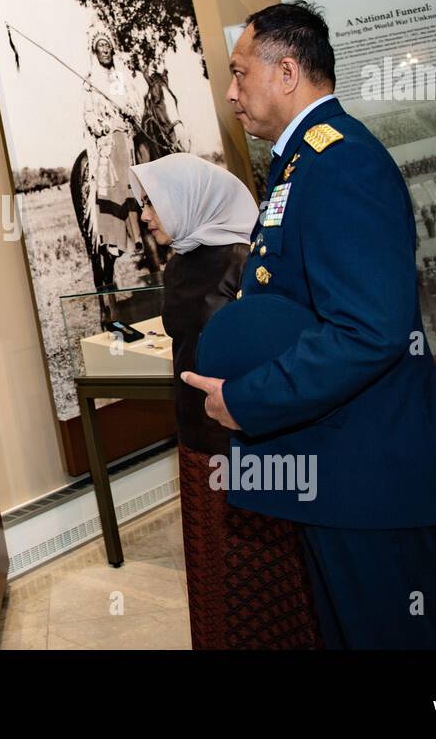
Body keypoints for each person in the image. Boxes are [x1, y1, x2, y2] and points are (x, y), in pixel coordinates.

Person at [183, 1, 436, 649]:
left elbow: (370, 329)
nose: (231, 94)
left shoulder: (339, 162)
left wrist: (247, 400)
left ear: (286, 72)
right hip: (338, 460)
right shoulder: (303, 162)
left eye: (238, 74)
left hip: (371, 469)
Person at [130, 152, 320, 650]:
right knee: (211, 560)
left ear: (187, 199)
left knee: (258, 566)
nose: (144, 215)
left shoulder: (244, 259)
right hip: (195, 433)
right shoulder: (180, 262)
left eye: (152, 202)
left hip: (243, 437)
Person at [82, 30, 143, 256]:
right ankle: (125, 236)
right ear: (95, 52)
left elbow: (130, 102)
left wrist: (130, 112)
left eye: (108, 47)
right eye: (101, 47)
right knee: (118, 167)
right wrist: (103, 127)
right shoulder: (91, 82)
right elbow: (89, 115)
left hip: (127, 134)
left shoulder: (120, 77)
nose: (105, 50)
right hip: (109, 139)